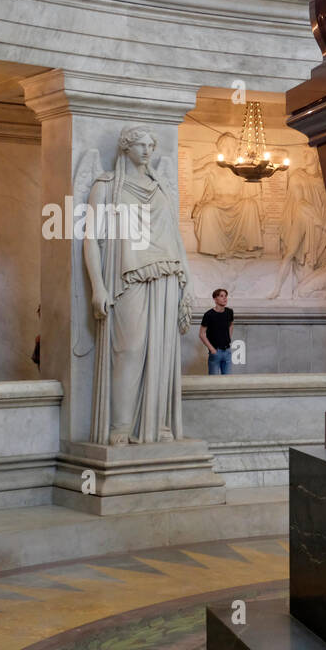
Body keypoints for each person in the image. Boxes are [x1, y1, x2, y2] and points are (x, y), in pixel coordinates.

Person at [83, 125, 193, 444]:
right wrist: (97, 287)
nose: (147, 151)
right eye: (140, 145)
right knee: (129, 348)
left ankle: (156, 425)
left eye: (151, 145)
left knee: (161, 352)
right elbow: (90, 239)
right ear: (126, 148)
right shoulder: (106, 186)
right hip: (127, 275)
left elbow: (176, 237)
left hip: (166, 276)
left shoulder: (160, 188)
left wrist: (189, 281)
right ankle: (121, 425)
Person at [199, 288, 234, 375]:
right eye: (221, 296)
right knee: (213, 382)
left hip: (227, 351)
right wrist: (212, 349)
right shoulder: (209, 315)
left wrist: (228, 338)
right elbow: (201, 334)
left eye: (226, 296)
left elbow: (231, 324)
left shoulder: (229, 312)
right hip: (215, 352)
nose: (225, 298)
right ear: (215, 299)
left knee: (228, 381)